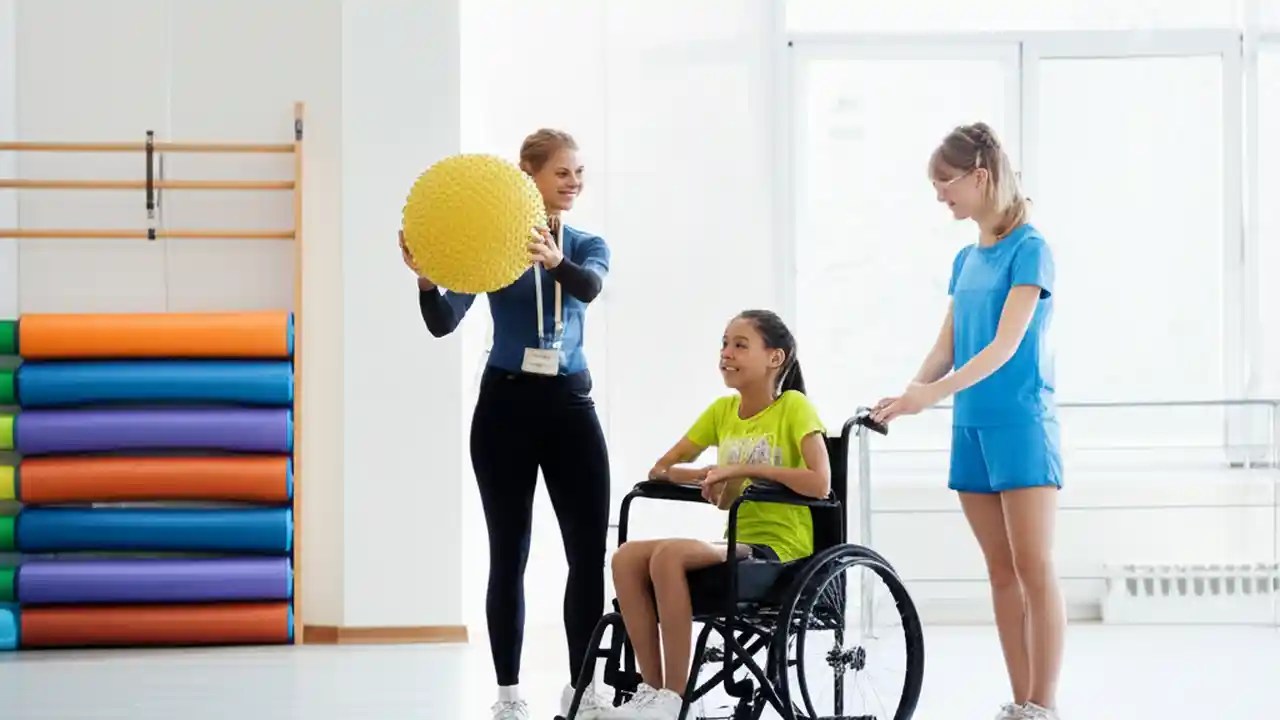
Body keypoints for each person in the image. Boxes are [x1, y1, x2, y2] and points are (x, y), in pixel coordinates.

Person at [400, 129, 613, 720]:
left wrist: (556, 260)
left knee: (587, 553)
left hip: (570, 407)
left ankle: (582, 689)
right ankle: (509, 696)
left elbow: (590, 288)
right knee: (509, 552)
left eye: (579, 173)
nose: (573, 183)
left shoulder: (588, 243)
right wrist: (424, 280)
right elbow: (444, 321)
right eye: (562, 173)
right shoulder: (493, 249)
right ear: (528, 174)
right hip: (506, 409)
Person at [870, 122, 1065, 720]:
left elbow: (1005, 346)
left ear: (980, 177)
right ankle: (1020, 701)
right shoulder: (965, 257)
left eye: (945, 183)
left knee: (1033, 568)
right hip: (970, 428)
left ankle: (1044, 704)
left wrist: (931, 396)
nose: (940, 196)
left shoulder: (1030, 249)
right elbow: (948, 343)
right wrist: (910, 392)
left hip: (1020, 424)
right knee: (1000, 572)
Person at [603, 309, 831, 720]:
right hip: (737, 542)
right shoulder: (722, 411)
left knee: (669, 556)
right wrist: (709, 474)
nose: (726, 353)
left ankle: (674, 697)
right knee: (626, 556)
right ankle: (651, 693)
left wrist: (742, 470)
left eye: (740, 345)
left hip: (780, 550)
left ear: (774, 358)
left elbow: (821, 484)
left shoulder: (793, 407)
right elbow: (662, 469)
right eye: (724, 344)